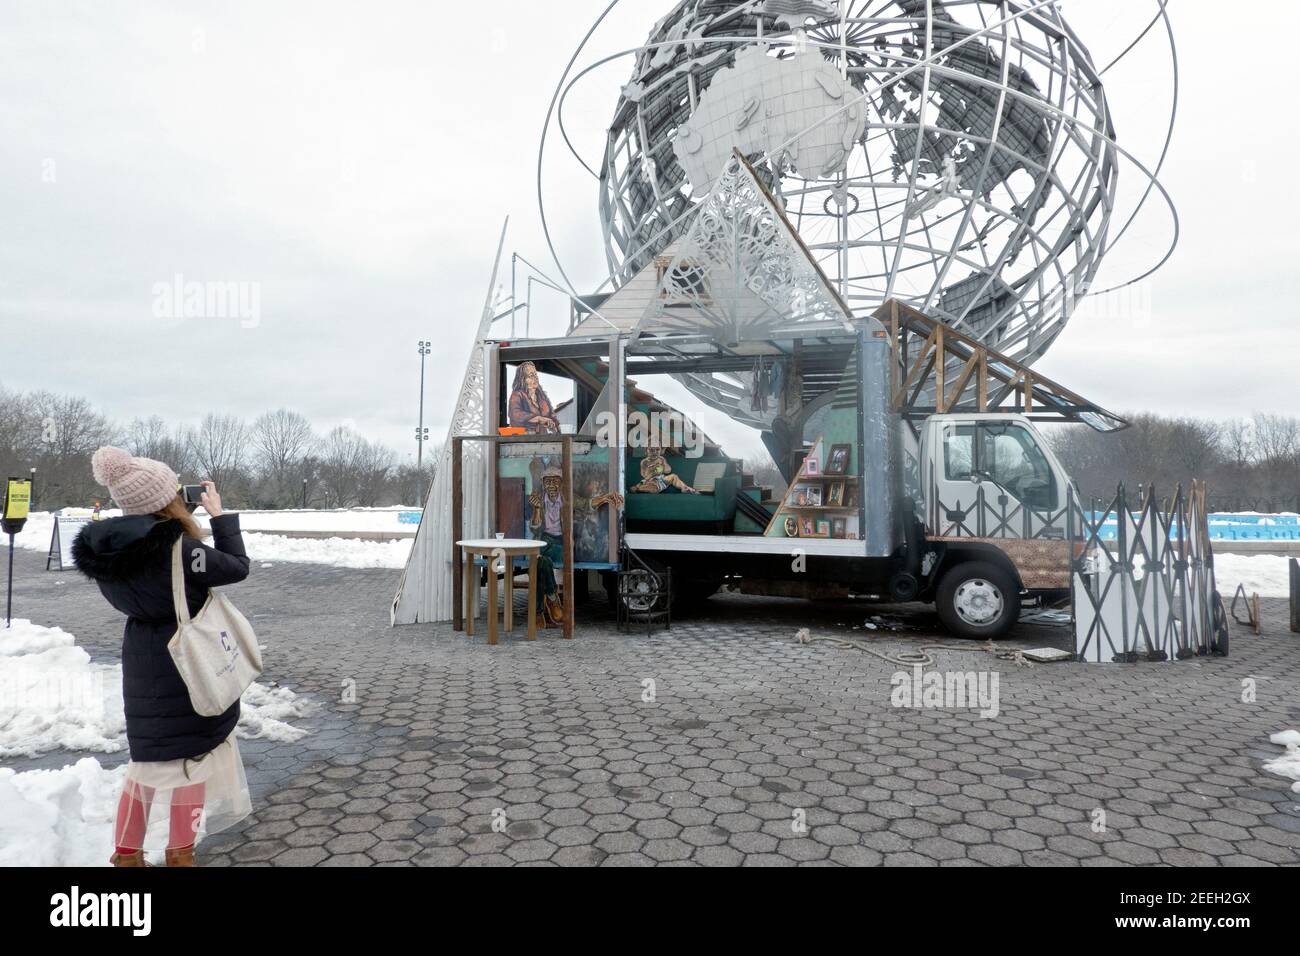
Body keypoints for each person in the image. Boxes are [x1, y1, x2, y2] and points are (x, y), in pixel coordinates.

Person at [71, 446, 253, 867]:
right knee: (193, 762)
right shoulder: (180, 549)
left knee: (147, 763)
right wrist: (221, 518)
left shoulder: (106, 550)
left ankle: (127, 855)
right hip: (188, 661)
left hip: (142, 658)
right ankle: (179, 853)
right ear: (164, 498)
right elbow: (237, 567)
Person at [508, 361, 560, 434]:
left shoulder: (542, 396)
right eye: (531, 375)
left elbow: (553, 416)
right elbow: (515, 414)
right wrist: (538, 418)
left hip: (544, 438)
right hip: (525, 439)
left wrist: (556, 428)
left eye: (536, 375)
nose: (535, 378)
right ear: (523, 379)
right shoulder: (517, 394)